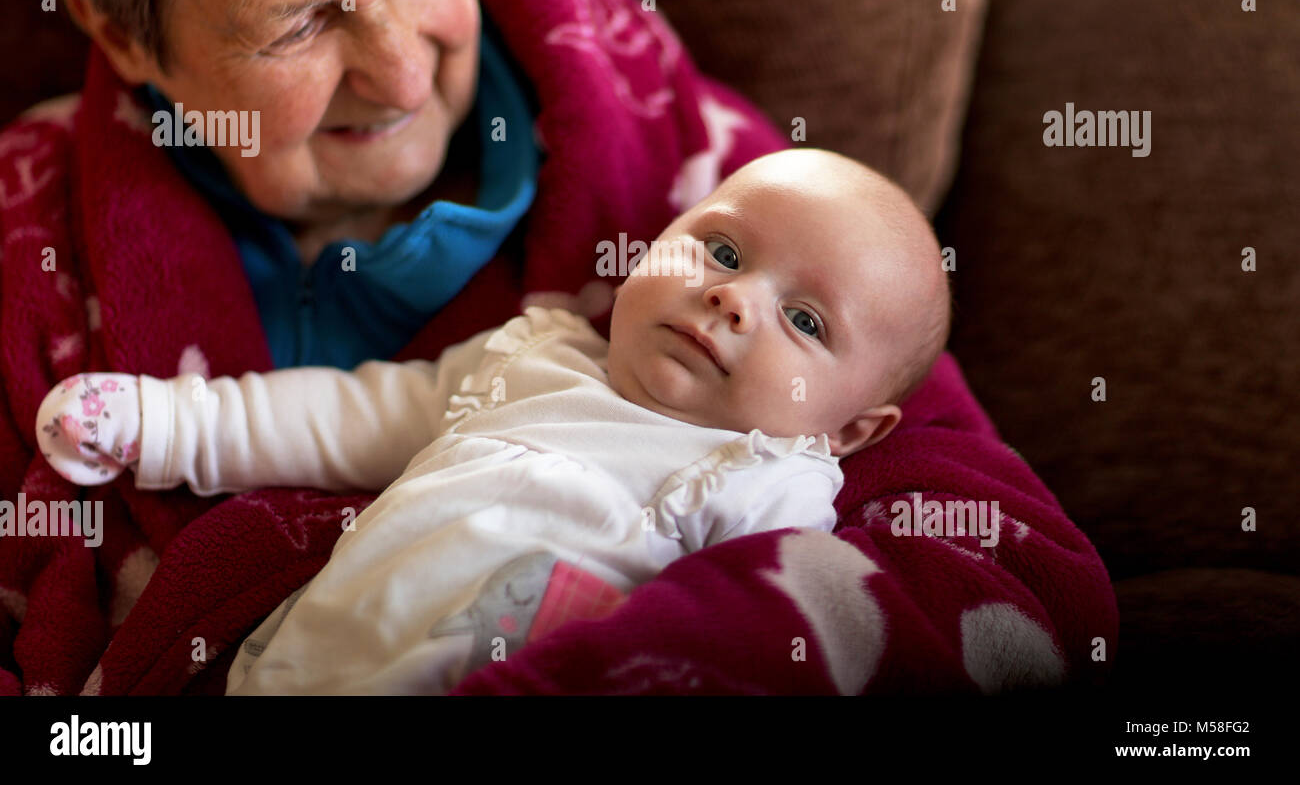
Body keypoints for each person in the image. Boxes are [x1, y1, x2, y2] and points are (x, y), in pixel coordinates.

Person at [35, 149, 952, 693]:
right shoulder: (532, 355)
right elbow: (352, 416)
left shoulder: (767, 481)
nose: (732, 298)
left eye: (805, 321)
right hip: (303, 666)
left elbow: (747, 643)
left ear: (850, 432)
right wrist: (171, 424)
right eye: (719, 249)